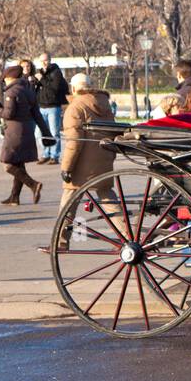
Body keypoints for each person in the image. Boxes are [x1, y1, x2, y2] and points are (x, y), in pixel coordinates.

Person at [49, 73, 116, 250]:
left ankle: (60, 242)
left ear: (73, 88)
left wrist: (66, 167)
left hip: (81, 164)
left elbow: (74, 141)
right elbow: (113, 132)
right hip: (103, 158)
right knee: (108, 198)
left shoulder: (76, 107)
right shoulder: (104, 103)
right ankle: (126, 236)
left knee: (68, 203)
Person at [0, 65, 50, 206]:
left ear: (10, 78)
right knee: (19, 163)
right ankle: (14, 197)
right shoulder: (28, 90)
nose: (4, 82)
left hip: (14, 132)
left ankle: (33, 184)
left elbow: (8, 114)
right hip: (28, 130)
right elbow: (37, 115)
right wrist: (46, 132)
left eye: (5, 79)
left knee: (8, 164)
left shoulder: (12, 92)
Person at [33, 53, 68, 165]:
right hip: (41, 107)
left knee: (54, 132)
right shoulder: (39, 73)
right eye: (42, 60)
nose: (44, 62)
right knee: (39, 133)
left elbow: (54, 88)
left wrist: (42, 79)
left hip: (53, 107)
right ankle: (46, 153)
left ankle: (54, 155)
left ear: (50, 60)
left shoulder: (56, 72)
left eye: (46, 60)